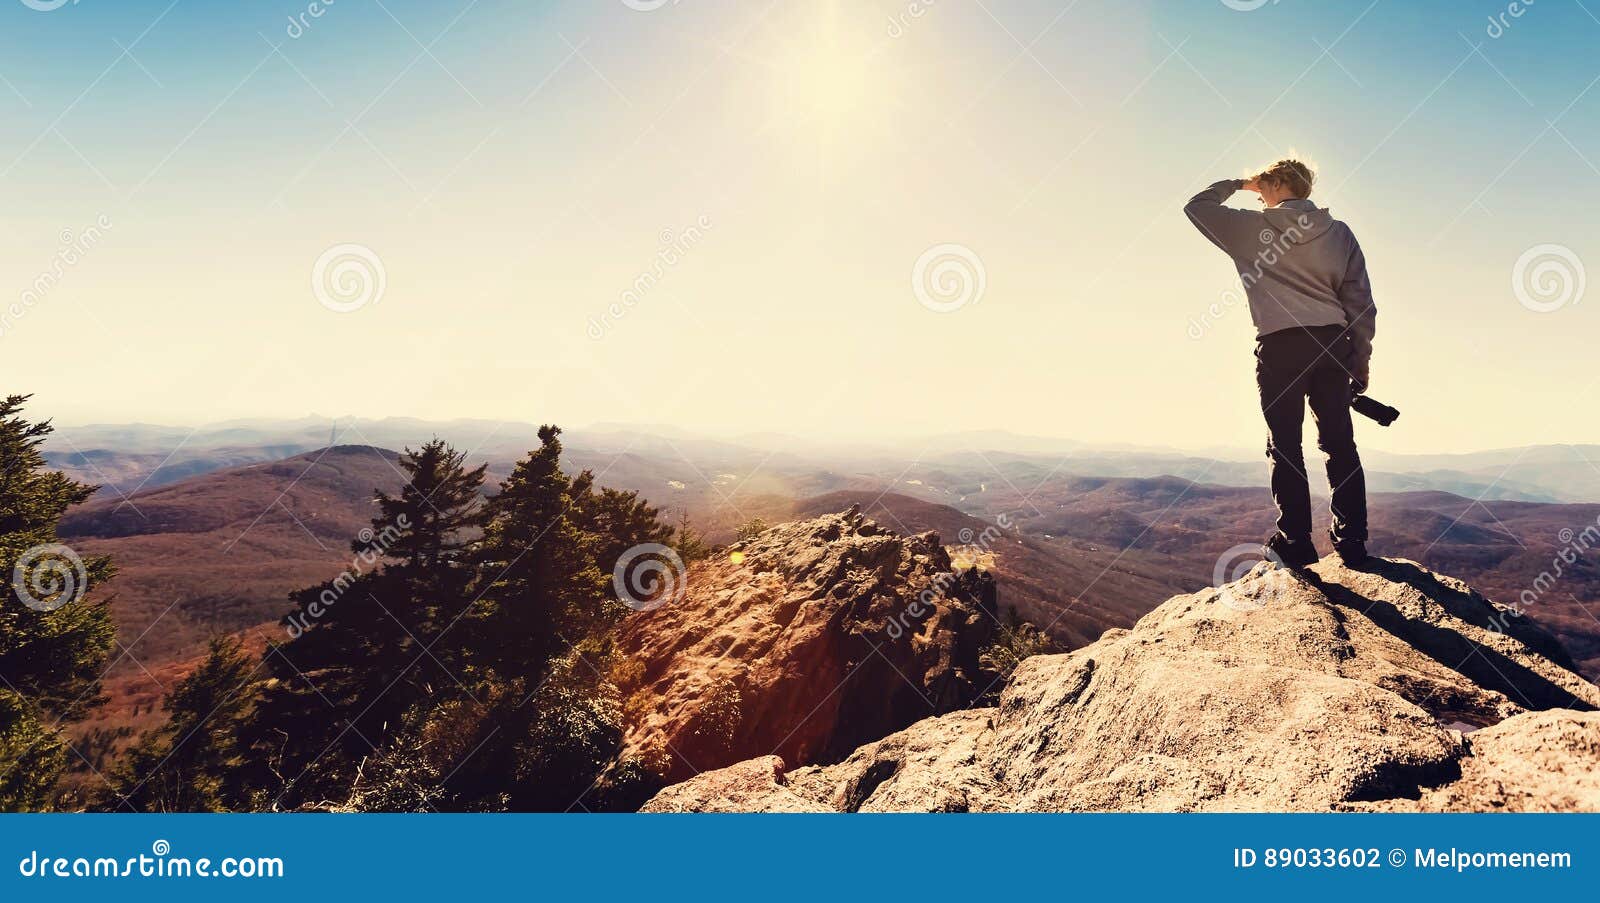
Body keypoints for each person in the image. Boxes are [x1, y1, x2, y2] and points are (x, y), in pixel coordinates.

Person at [1184, 159, 1374, 567]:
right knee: (1339, 444)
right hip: (1332, 344)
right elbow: (1360, 303)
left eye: (1263, 185)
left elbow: (1197, 206)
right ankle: (1352, 540)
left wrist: (1237, 183)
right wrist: (1361, 360)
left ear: (1276, 182)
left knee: (1285, 445)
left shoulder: (1253, 229)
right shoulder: (1339, 233)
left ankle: (1296, 542)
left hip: (1282, 346)